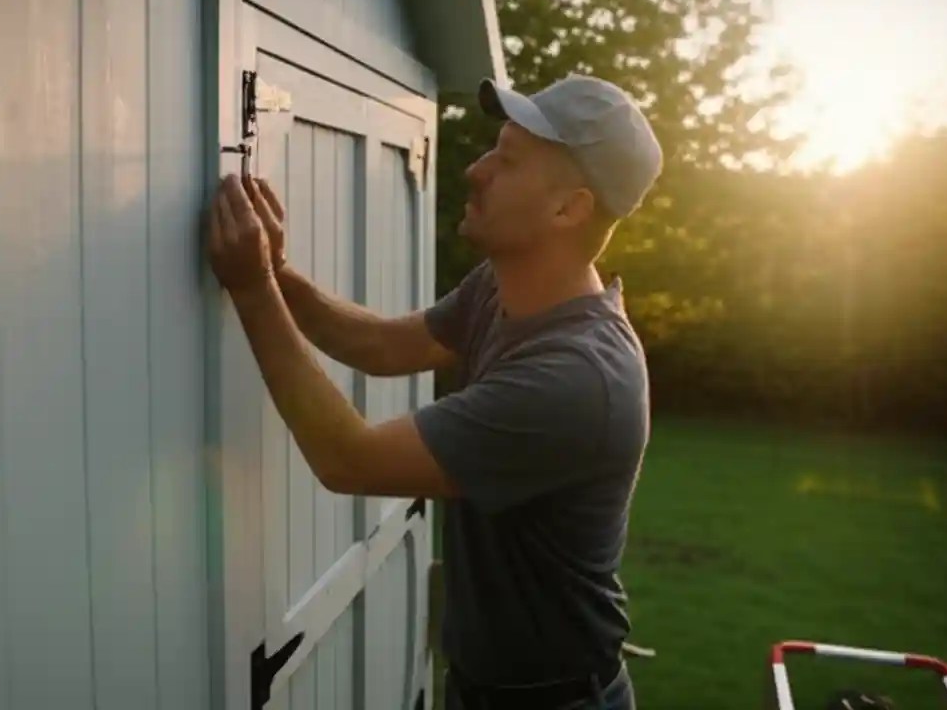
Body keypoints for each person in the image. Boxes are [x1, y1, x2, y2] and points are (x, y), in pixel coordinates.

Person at [206, 73, 662, 710]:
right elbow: (383, 345)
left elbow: (349, 459)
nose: (476, 170)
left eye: (506, 160)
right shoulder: (501, 288)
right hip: (486, 690)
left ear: (569, 209)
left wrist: (252, 289)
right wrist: (278, 274)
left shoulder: (578, 379)